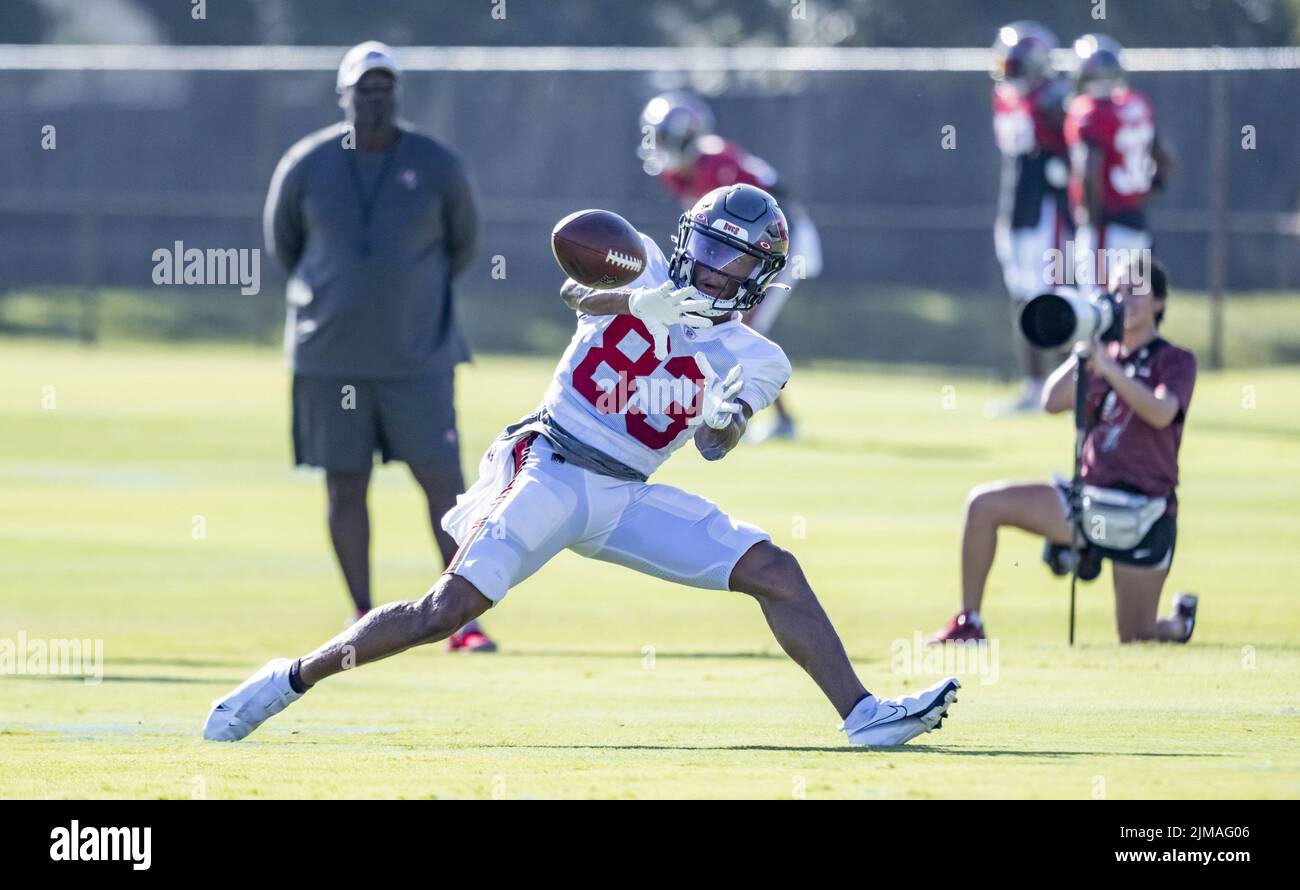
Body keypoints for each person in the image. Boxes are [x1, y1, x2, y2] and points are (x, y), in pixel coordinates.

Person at [205, 184, 959, 747]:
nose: (712, 264)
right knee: (445, 614)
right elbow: (578, 285)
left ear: (761, 275)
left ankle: (862, 715)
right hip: (549, 463)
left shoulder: (760, 357)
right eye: (709, 244)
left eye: (735, 258)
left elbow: (713, 447)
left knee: (775, 569)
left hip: (625, 495)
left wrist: (724, 418)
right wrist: (642, 303)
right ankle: (291, 678)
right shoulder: (653, 270)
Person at [263, 41, 496, 652]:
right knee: (345, 483)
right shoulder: (306, 163)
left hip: (418, 356)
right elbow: (284, 244)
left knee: (444, 482)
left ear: (397, 93)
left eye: (385, 86)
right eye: (363, 88)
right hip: (329, 356)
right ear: (342, 95)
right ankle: (361, 613)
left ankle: (460, 618)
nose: (375, 98)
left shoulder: (436, 164)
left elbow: (462, 245)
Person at [929, 258, 1198, 645]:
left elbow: (1161, 413)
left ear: (1159, 302)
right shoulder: (1100, 356)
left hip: (1144, 511)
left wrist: (1108, 368)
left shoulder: (1175, 360)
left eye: (1136, 291)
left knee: (1136, 636)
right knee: (983, 505)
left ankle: (1176, 624)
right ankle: (969, 623)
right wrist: (1084, 353)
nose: (1125, 300)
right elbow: (1052, 402)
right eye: (1118, 291)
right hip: (1086, 500)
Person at [638, 91, 822, 441]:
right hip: (744, 250)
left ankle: (755, 414)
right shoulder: (679, 173)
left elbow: (755, 226)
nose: (658, 145)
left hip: (780, 243)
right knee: (721, 317)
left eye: (664, 138)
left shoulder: (714, 163)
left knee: (741, 322)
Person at [989, 21, 1073, 414]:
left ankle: (1072, 387)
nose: (1011, 74)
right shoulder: (1005, 97)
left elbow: (1076, 151)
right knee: (1023, 299)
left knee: (1051, 298)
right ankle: (1035, 388)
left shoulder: (1056, 100)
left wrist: (1060, 168)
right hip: (1015, 208)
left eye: (1017, 65)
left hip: (1046, 210)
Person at [1064, 35, 1175, 290]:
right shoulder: (1137, 105)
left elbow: (1089, 173)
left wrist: (1091, 224)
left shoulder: (1090, 113)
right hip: (1138, 226)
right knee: (1134, 310)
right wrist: (1143, 196)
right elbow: (1168, 161)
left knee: (1100, 308)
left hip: (1107, 228)